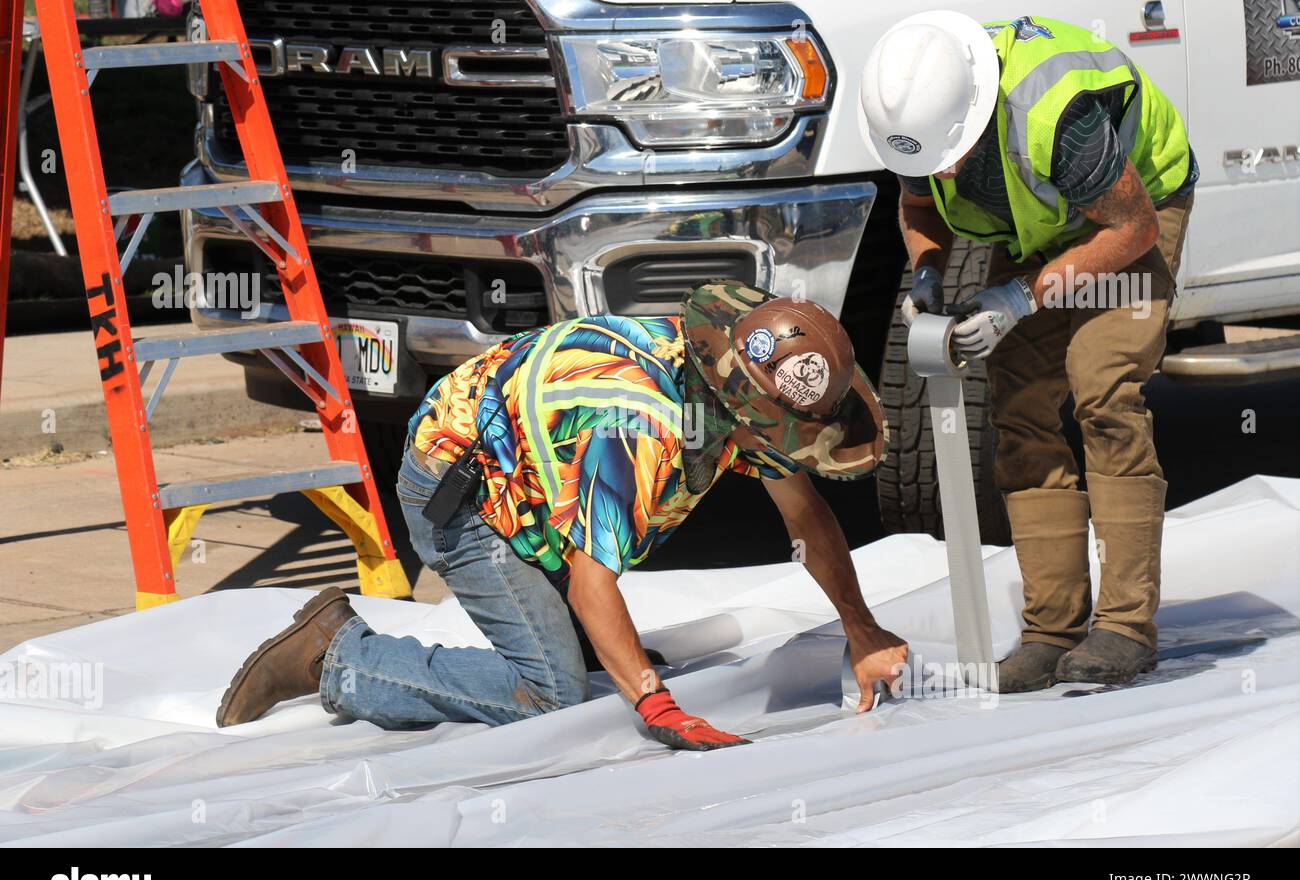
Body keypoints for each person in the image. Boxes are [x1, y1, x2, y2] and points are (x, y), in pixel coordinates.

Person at [216, 280, 909, 748]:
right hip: (458, 497)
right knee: (550, 693)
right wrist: (656, 706)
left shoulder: (730, 369)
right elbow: (591, 581)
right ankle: (334, 655)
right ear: (744, 414)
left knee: (605, 653)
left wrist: (862, 627)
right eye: (780, 439)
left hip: (520, 476)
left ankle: (576, 641)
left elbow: (805, 516)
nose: (786, 455)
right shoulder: (644, 431)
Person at [859, 12, 1197, 691]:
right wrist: (927, 271)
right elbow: (919, 206)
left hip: (1133, 214)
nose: (942, 170)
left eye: (948, 156)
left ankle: (1126, 627)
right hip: (1044, 223)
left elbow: (1130, 229)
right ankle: (1052, 628)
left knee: (1103, 389)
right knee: (1018, 403)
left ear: (976, 114)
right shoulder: (919, 116)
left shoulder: (1055, 116)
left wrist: (1018, 298)